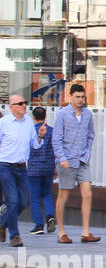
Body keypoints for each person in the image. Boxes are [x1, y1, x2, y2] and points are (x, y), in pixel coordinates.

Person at [0, 94, 49, 248]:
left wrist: (40, 137)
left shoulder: (28, 122)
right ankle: (15, 236)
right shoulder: (3, 123)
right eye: (20, 103)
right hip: (5, 166)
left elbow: (34, 144)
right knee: (12, 200)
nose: (24, 106)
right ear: (12, 106)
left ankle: (2, 224)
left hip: (21, 167)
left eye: (25, 103)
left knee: (21, 202)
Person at [53, 83, 99, 244]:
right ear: (70, 97)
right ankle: (61, 232)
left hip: (82, 160)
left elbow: (91, 135)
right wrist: (62, 158)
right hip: (67, 160)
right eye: (77, 97)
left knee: (87, 194)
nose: (80, 100)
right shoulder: (62, 114)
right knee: (63, 195)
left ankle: (86, 232)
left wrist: (87, 153)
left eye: (82, 97)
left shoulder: (87, 114)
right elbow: (56, 138)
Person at [27, 106, 56, 236]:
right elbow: (56, 150)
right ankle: (50, 217)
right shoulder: (52, 131)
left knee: (34, 197)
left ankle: (38, 224)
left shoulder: (31, 131)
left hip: (34, 168)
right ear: (45, 116)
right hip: (48, 167)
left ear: (33, 117)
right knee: (47, 194)